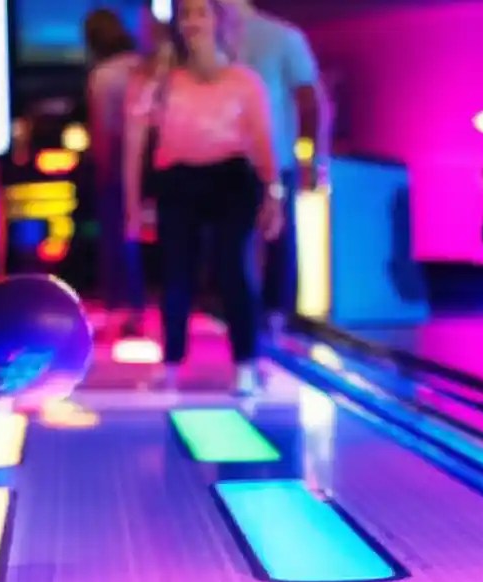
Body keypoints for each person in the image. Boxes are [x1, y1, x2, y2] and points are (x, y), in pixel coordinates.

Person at [124, 0, 281, 395]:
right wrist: (132, 204)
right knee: (176, 273)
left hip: (231, 179)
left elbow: (262, 141)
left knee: (233, 268)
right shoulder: (161, 80)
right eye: (186, 14)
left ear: (218, 21)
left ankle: (246, 362)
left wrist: (273, 193)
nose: (193, 22)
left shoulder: (244, 81)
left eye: (201, 13)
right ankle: (171, 362)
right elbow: (135, 145)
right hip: (178, 181)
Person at [218, 0, 328, 335]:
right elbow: (310, 102)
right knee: (241, 242)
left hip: (273, 159)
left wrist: (311, 158)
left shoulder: (280, 38)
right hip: (230, 160)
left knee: (273, 240)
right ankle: (257, 318)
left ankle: (272, 317)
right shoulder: (215, 41)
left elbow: (310, 102)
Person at [84, 9, 147, 339]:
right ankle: (138, 307)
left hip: (119, 163)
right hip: (156, 164)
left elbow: (103, 131)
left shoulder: (104, 76)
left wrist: (103, 171)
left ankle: (119, 308)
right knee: (138, 233)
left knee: (117, 235)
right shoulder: (143, 67)